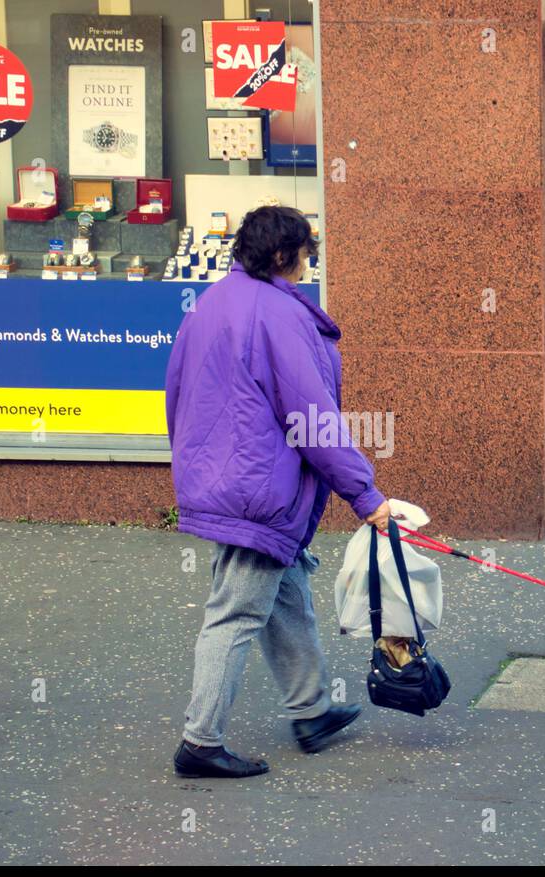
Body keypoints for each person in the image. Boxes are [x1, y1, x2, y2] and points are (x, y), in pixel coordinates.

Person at [165, 205, 390, 778]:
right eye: (307, 251)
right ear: (285, 255)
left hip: (227, 479)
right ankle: (200, 742)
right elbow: (313, 416)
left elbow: (177, 394)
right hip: (258, 491)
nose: (311, 262)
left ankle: (311, 709)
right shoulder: (279, 316)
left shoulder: (210, 304)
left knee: (285, 590)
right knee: (237, 612)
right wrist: (364, 495)